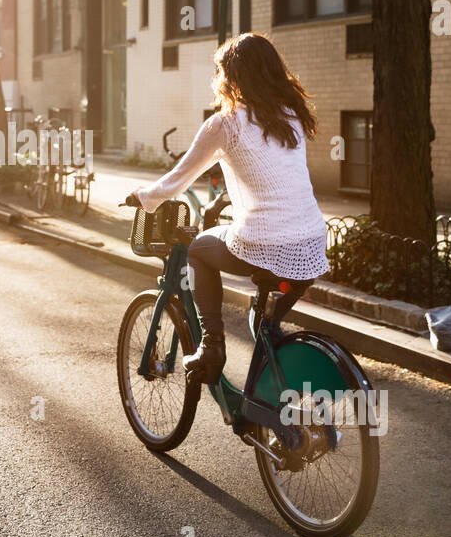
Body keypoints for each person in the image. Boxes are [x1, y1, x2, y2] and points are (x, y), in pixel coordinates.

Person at [125, 33, 330, 384]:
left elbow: (179, 180)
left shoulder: (226, 123)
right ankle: (275, 389)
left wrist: (144, 197)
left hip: (266, 243)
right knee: (265, 325)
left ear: (233, 76)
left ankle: (211, 346)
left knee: (201, 249)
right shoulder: (290, 115)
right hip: (311, 244)